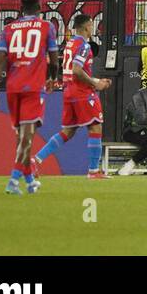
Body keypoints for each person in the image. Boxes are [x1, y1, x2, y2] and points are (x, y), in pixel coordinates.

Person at [0, 0, 60, 195]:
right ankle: (13, 180)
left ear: (20, 7)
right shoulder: (47, 27)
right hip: (33, 87)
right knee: (27, 139)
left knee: (21, 138)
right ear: (39, 5)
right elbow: (54, 61)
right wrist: (52, 79)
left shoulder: (8, 29)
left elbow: (0, 61)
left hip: (12, 88)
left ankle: (29, 182)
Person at [32, 13, 111, 179]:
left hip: (69, 92)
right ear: (86, 27)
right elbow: (76, 70)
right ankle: (93, 171)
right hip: (83, 93)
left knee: (68, 131)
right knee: (95, 127)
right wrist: (95, 84)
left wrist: (95, 80)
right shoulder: (84, 45)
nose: (92, 28)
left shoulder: (70, 43)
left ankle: (35, 160)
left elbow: (73, 70)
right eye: (91, 25)